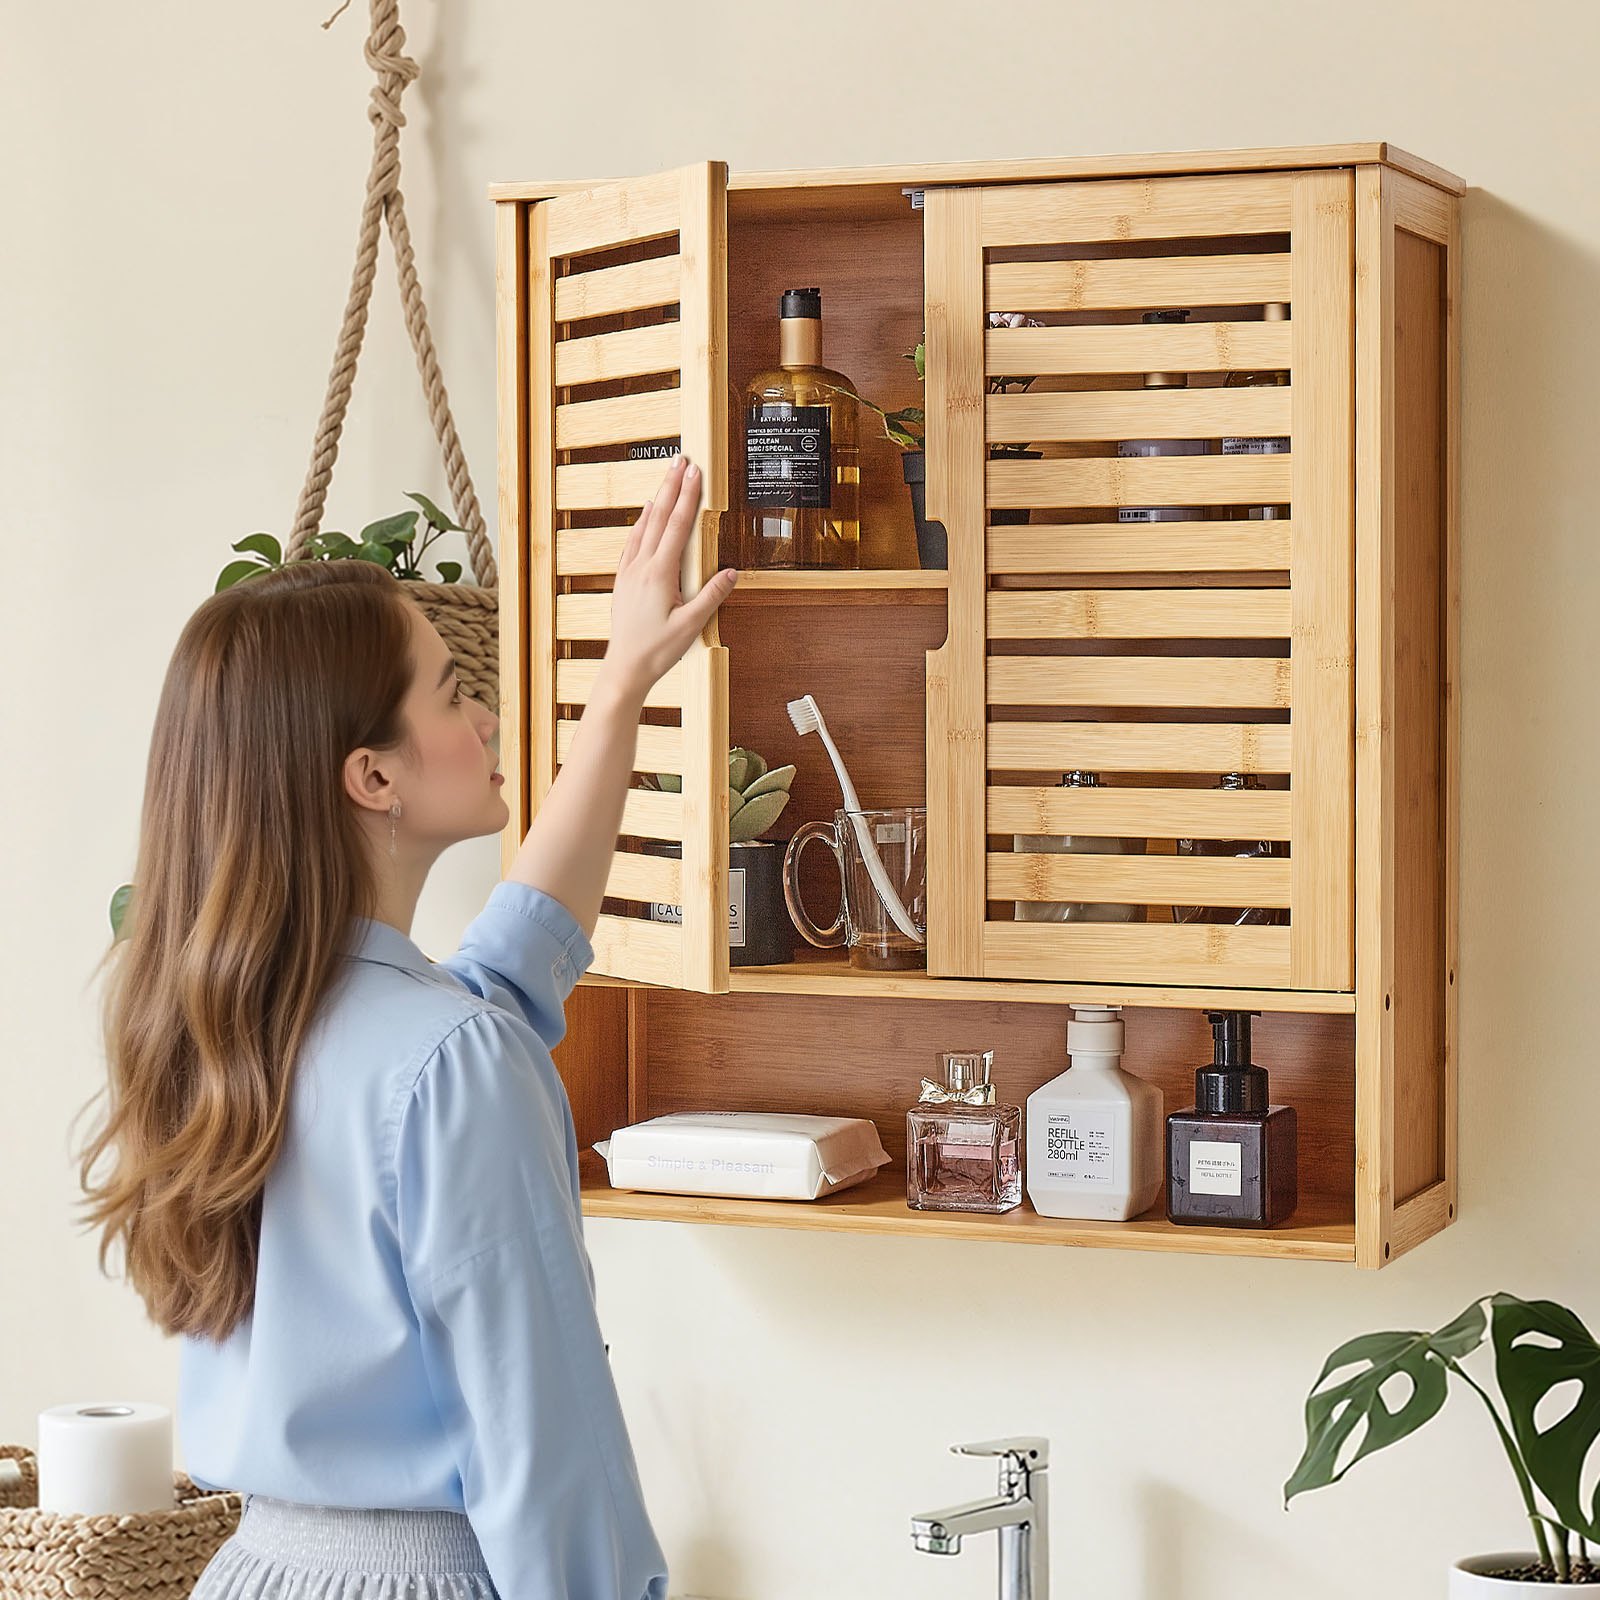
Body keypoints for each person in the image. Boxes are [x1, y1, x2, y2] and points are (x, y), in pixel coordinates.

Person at [73, 453, 735, 1598]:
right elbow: (548, 1454)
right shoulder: (449, 1062)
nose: (484, 714)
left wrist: (624, 684)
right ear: (371, 776)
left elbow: (516, 956)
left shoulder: (233, 1026)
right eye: (447, 690)